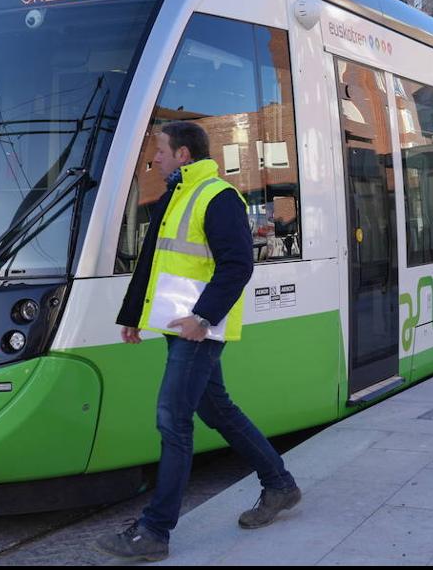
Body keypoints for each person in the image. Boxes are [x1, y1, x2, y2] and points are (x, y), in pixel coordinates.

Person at [98, 121, 300, 562]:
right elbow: (153, 257)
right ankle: (280, 484)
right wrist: (134, 316)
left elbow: (237, 265)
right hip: (179, 325)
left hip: (199, 329)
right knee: (217, 409)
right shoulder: (176, 194)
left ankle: (154, 531)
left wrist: (204, 317)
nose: (156, 158)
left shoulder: (218, 196)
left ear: (184, 154)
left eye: (162, 151)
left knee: (173, 419)